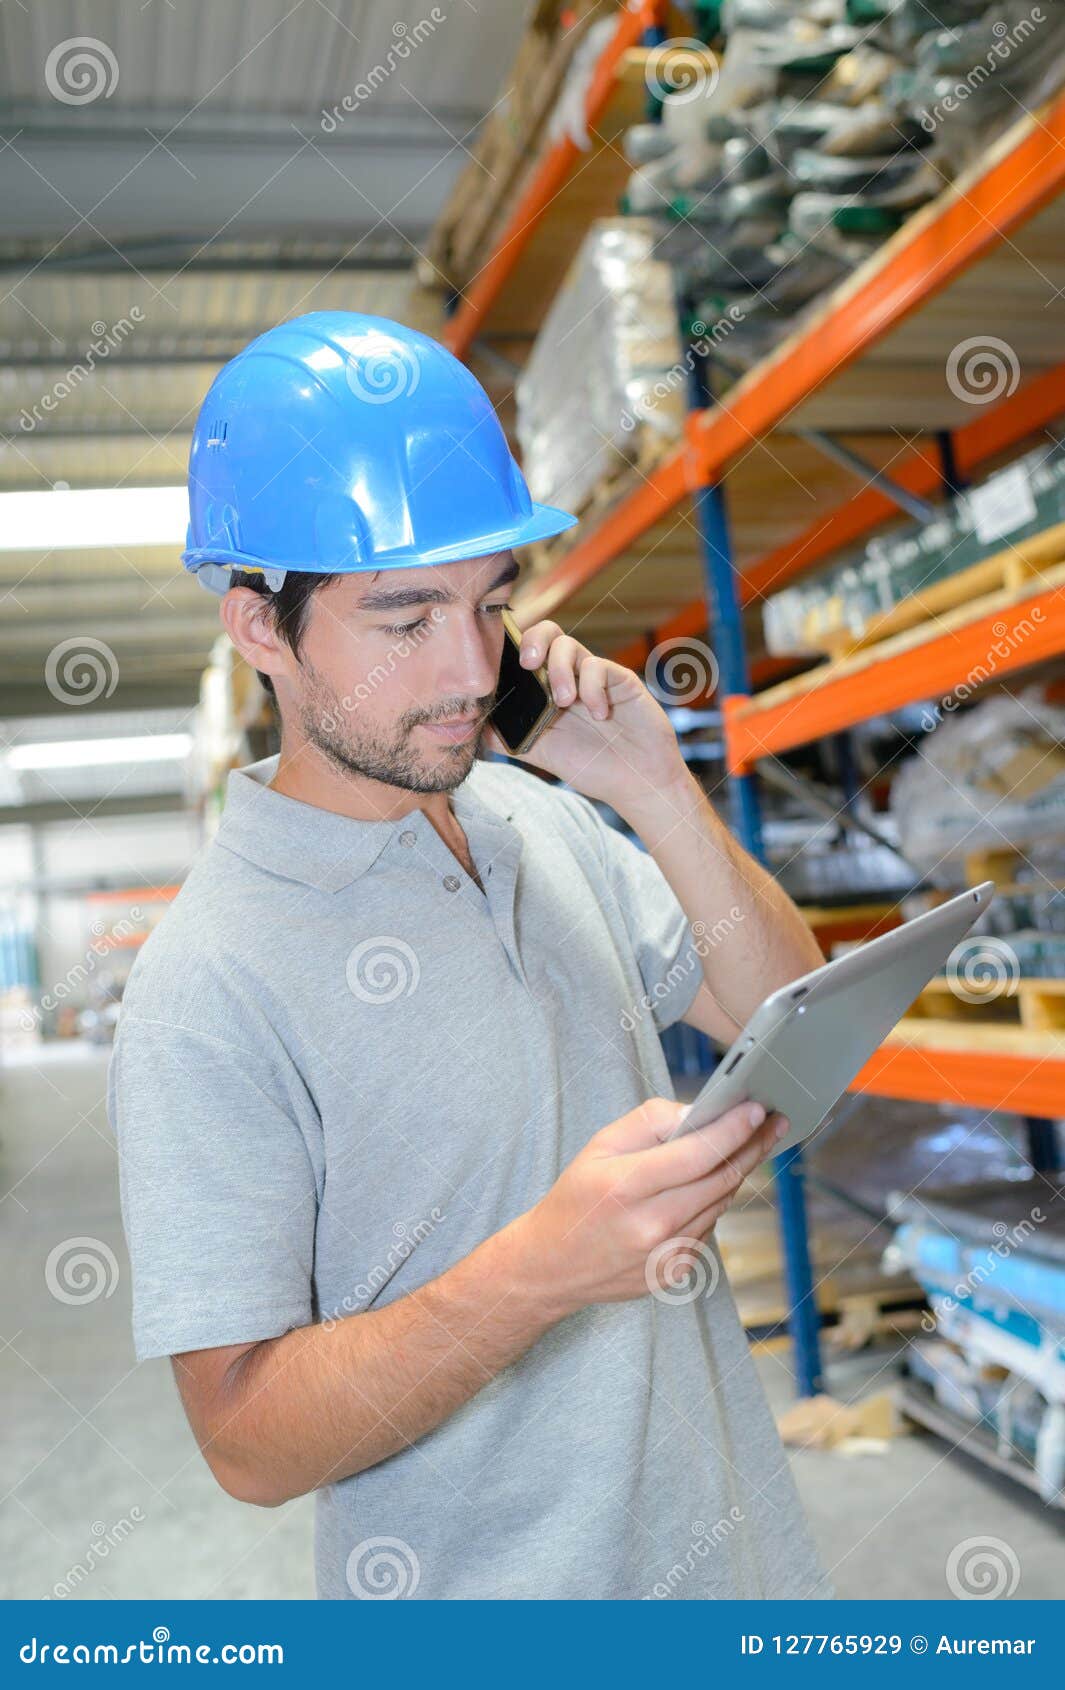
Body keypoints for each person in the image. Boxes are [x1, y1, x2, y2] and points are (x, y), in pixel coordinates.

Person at [110, 311, 831, 1602]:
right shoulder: (205, 985)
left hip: (737, 1567)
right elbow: (246, 1439)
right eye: (403, 620)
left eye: (490, 604)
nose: (467, 668)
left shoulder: (541, 818)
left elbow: (777, 1011)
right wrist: (538, 1269)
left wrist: (654, 790)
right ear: (258, 627)